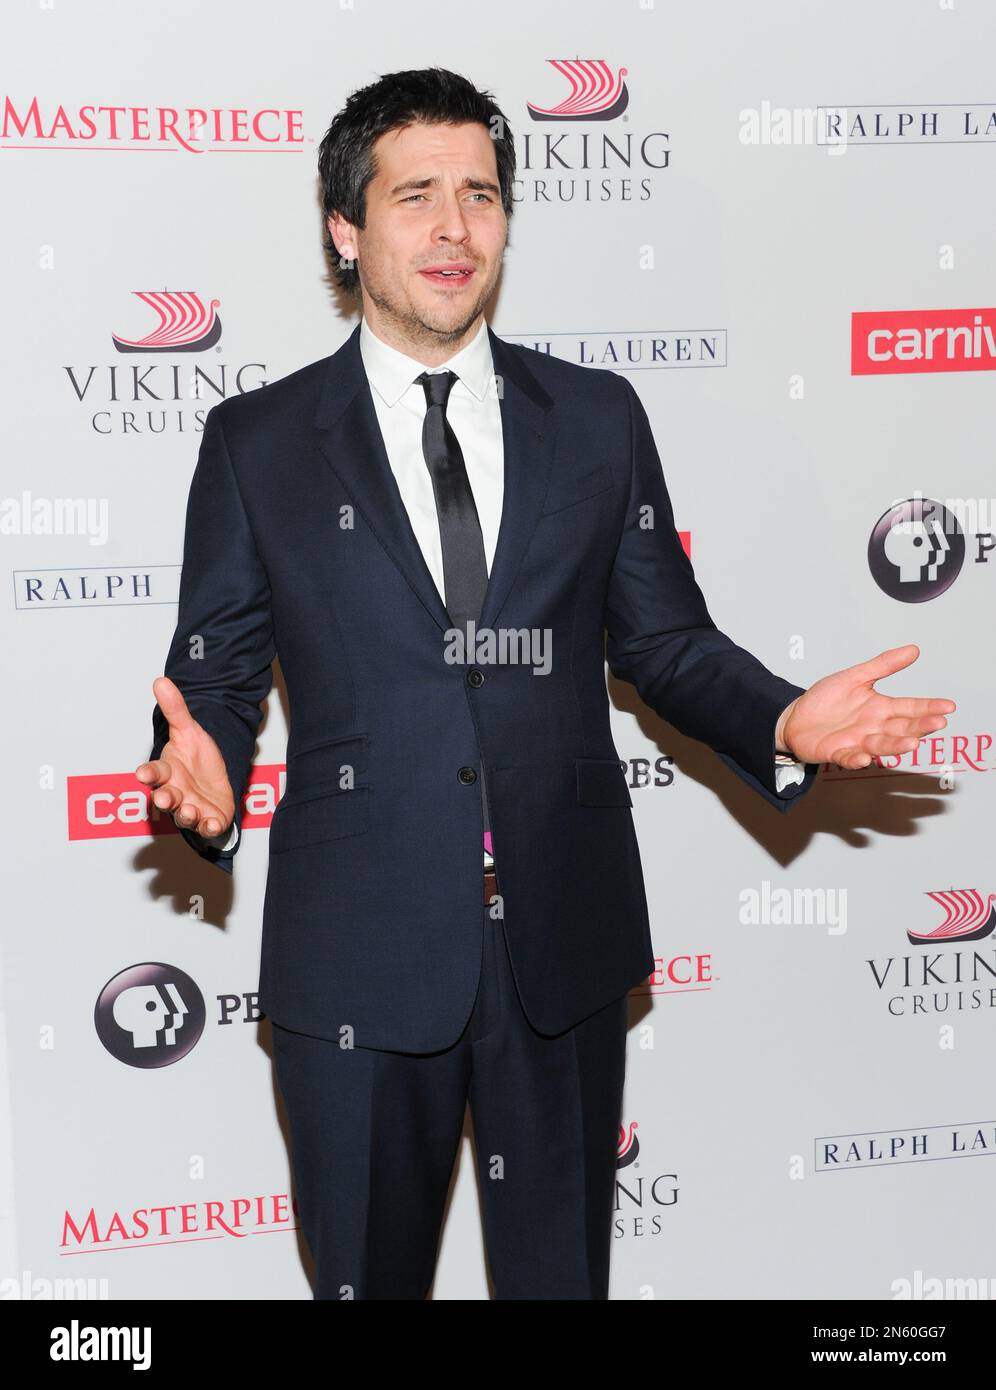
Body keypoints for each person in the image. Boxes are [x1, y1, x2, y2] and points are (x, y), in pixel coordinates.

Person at [134, 67, 955, 1300]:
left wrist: (781, 715)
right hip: (357, 963)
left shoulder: (597, 416)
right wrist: (197, 769)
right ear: (345, 229)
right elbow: (217, 672)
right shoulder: (257, 444)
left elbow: (665, 642)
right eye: (415, 196)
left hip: (559, 956)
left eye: (480, 194)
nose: (454, 227)